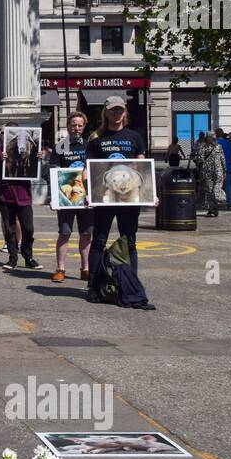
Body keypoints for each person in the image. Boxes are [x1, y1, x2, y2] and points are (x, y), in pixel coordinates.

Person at [86, 95, 157, 309]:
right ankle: (93, 286)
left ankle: (131, 286)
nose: (116, 114)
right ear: (105, 113)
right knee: (99, 240)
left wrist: (151, 193)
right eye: (112, 110)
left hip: (129, 196)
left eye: (120, 110)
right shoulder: (96, 137)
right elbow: (88, 168)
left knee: (130, 241)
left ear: (125, 113)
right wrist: (88, 192)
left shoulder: (134, 136)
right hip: (104, 195)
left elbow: (142, 167)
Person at [49, 110, 91, 282]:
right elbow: (53, 172)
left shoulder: (90, 145)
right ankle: (60, 269)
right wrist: (53, 197)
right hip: (65, 197)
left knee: (87, 234)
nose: (76, 128)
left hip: (87, 197)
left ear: (84, 127)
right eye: (73, 125)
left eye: (80, 125)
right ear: (68, 126)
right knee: (65, 233)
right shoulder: (60, 147)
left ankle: (86, 269)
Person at [0, 141, 40, 271]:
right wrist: (1, 161)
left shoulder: (26, 151)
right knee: (9, 229)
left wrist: (37, 159)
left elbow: (33, 170)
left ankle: (28, 256)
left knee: (28, 228)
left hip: (24, 195)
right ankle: (12, 258)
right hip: (6, 196)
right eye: (1, 133)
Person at [193, 132, 225, 218]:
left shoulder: (203, 147)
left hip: (208, 173)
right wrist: (224, 171)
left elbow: (199, 160)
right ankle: (213, 208)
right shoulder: (218, 147)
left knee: (211, 191)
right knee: (214, 190)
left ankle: (214, 207)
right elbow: (223, 160)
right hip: (217, 172)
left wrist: (196, 161)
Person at [215, 129, 231, 209]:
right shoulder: (229, 143)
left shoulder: (217, 143)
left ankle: (215, 203)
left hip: (220, 167)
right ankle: (229, 203)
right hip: (229, 167)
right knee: (228, 185)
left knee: (216, 185)